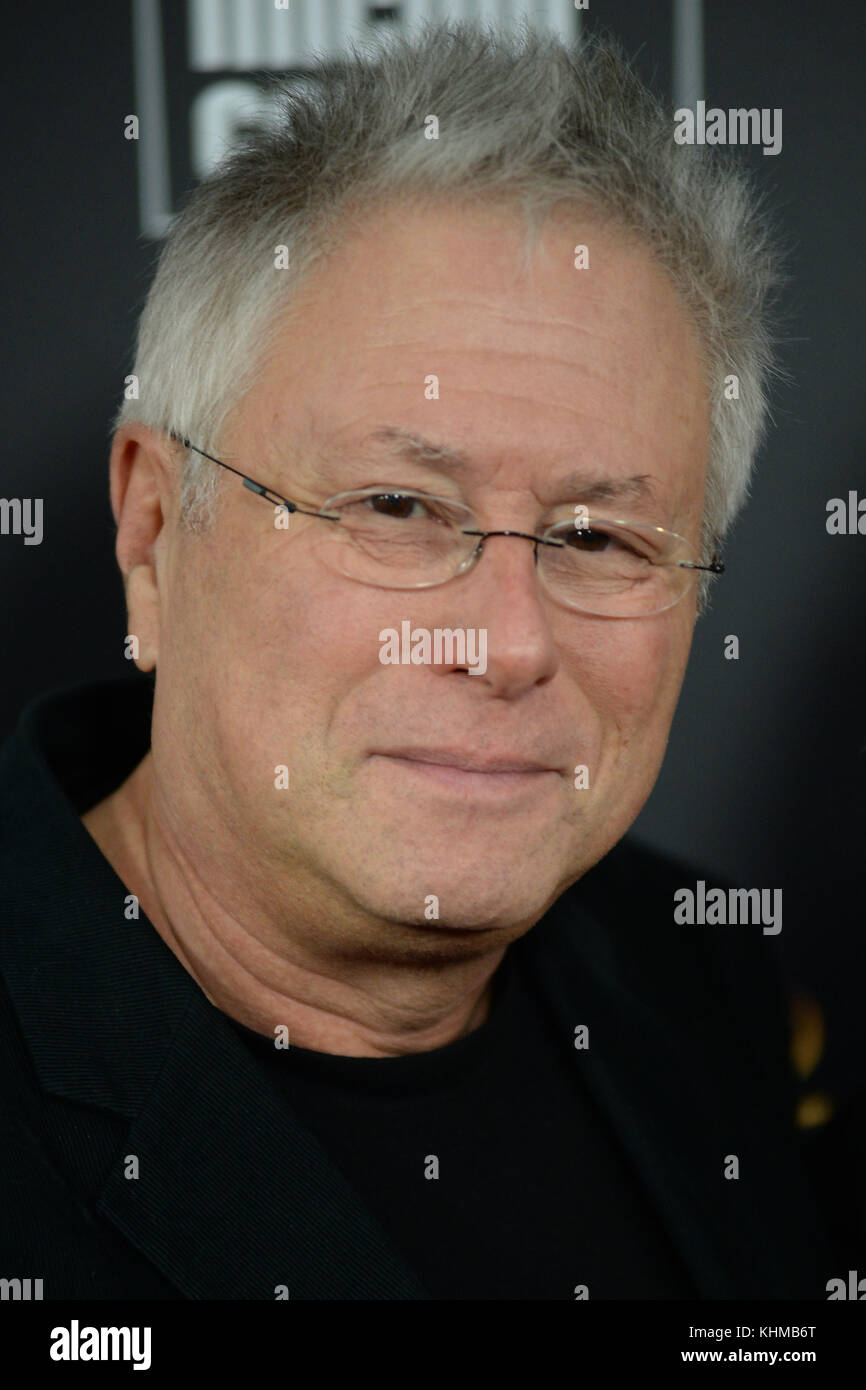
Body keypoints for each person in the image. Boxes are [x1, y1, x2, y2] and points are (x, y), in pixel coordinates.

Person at [0, 22, 832, 1300]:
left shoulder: (701, 980)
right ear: (155, 538)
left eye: (598, 536)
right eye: (395, 508)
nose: (506, 642)